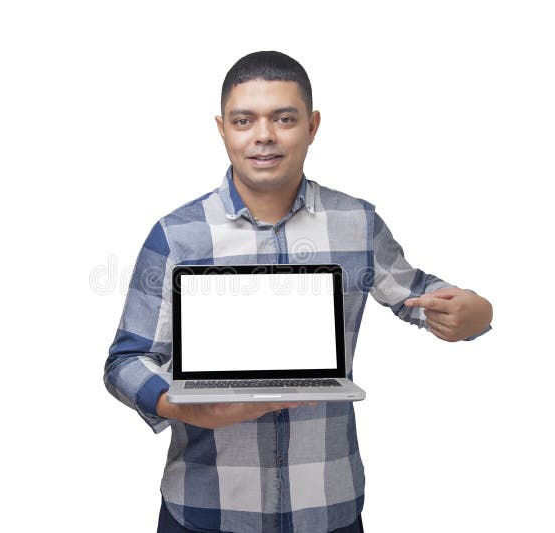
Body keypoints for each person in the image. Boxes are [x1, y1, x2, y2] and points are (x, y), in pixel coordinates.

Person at [104, 51, 493, 533]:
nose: (263, 135)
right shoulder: (176, 234)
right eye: (244, 120)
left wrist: (475, 313)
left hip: (327, 505)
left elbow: (414, 293)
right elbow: (127, 361)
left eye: (283, 118)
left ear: (311, 126)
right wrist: (177, 403)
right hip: (206, 508)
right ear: (222, 129)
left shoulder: (358, 223)